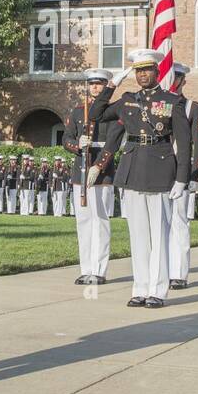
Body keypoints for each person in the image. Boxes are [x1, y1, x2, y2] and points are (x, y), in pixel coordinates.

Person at [89, 49, 190, 308]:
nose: (143, 74)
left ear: (157, 72)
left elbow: (184, 142)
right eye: (138, 70)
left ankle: (157, 290)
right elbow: (95, 114)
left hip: (160, 169)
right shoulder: (127, 100)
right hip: (133, 169)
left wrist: (181, 178)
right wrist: (112, 85)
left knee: (159, 234)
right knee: (139, 235)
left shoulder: (172, 101)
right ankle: (140, 288)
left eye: (147, 70)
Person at [65, 69, 116, 285]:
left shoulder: (112, 111)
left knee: (100, 220)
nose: (95, 87)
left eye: (99, 84)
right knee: (83, 221)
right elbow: (67, 138)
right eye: (92, 84)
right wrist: (77, 145)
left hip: (101, 172)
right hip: (80, 171)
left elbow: (113, 141)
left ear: (105, 86)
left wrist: (98, 165)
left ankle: (99, 269)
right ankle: (86, 268)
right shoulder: (78, 111)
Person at [168, 63, 198, 289]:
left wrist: (196, 175)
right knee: (159, 226)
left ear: (183, 81)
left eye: (177, 79)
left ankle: (179, 273)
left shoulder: (192, 107)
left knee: (179, 223)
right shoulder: (157, 104)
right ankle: (161, 269)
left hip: (180, 173)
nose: (173, 83)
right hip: (157, 173)